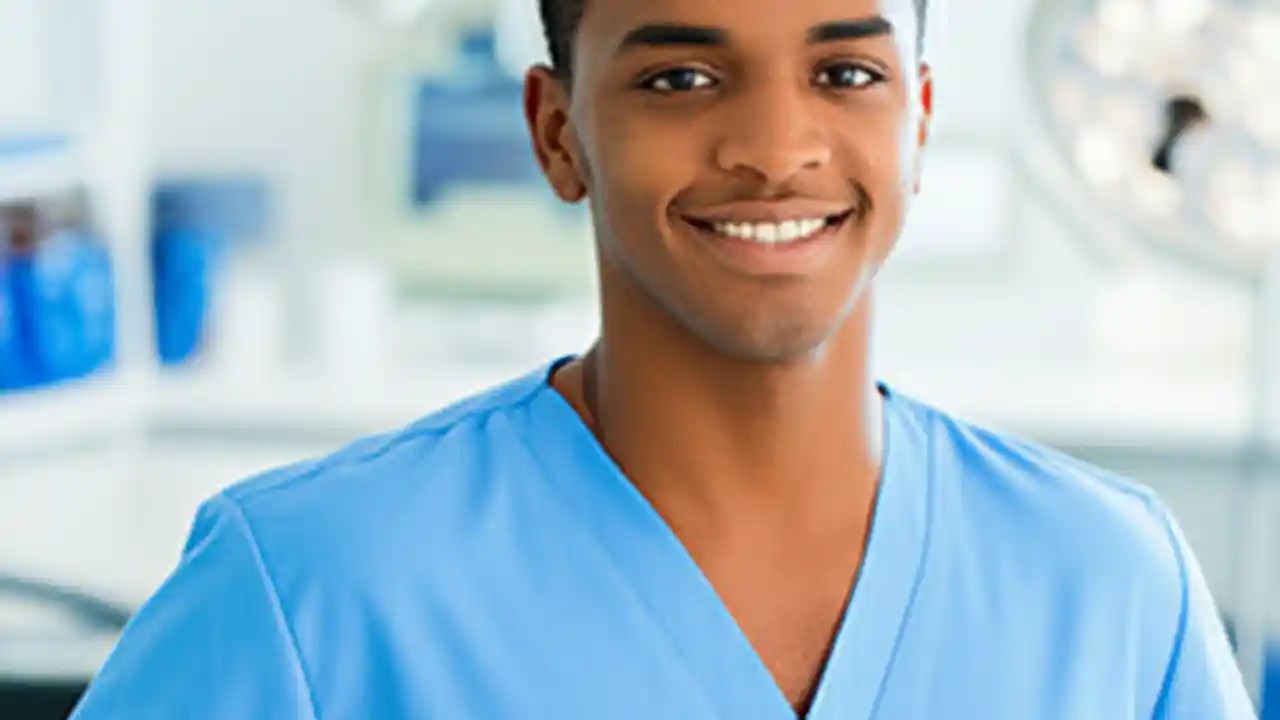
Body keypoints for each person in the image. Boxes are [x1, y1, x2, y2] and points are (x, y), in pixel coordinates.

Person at [71, 0, 1255, 718]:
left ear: (919, 118)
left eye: (845, 73)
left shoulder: (1111, 586)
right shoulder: (315, 590)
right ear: (556, 132)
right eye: (678, 78)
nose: (773, 148)